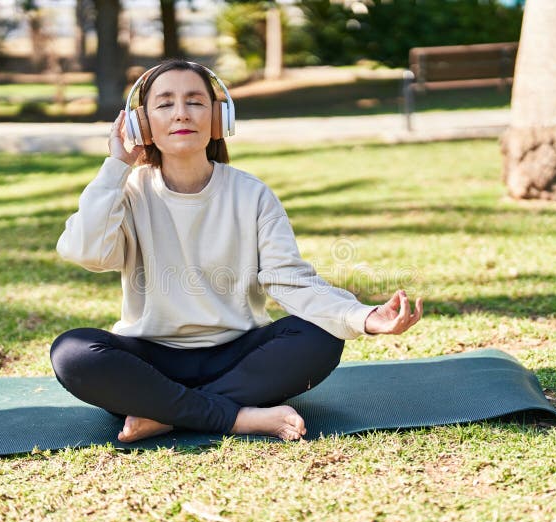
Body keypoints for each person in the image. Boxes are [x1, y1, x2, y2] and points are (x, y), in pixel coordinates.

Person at [50, 59, 424, 443]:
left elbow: (289, 281)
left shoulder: (252, 194)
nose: (181, 113)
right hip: (152, 359)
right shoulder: (127, 192)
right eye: (165, 104)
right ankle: (239, 417)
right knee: (72, 352)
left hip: (237, 356)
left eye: (195, 101)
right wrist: (116, 165)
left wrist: (360, 316)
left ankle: (168, 413)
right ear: (140, 124)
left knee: (323, 336)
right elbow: (86, 252)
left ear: (218, 117)